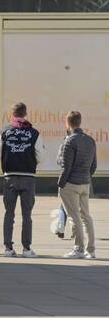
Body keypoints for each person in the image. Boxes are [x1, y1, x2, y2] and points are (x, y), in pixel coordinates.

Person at [0, 101, 47, 258]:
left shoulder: (4, 131)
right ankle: (26, 249)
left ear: (13, 114)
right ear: (25, 114)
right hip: (28, 177)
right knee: (27, 214)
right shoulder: (34, 133)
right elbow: (41, 156)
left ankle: (8, 248)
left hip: (9, 177)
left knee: (9, 213)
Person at [56, 110, 97, 260]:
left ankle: (79, 249)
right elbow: (94, 165)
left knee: (74, 217)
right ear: (80, 122)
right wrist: (86, 177)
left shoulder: (69, 141)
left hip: (70, 183)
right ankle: (90, 250)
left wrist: (61, 184)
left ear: (67, 123)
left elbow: (65, 166)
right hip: (85, 183)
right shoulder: (90, 140)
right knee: (86, 216)